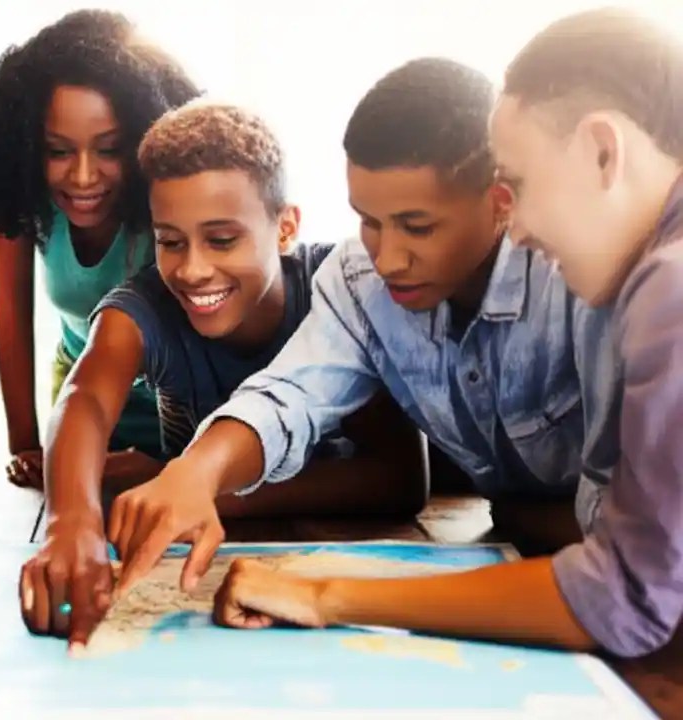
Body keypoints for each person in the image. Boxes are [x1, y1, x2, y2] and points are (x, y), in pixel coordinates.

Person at [211, 8, 683, 659]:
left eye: (517, 186)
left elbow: (626, 600)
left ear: (604, 151)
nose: (516, 230)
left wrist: (327, 595)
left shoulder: (671, 286)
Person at [105, 58, 621, 612]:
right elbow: (290, 394)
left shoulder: (579, 275)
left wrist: (537, 518)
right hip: (528, 552)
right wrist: (196, 471)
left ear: (499, 204)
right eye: (368, 221)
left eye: (417, 227)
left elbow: (636, 542)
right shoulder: (357, 281)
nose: (389, 258)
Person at [20, 101, 427, 648]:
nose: (192, 268)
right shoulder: (146, 307)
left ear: (285, 228)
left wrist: (202, 494)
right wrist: (69, 521)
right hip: (213, 568)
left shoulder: (338, 295)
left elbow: (401, 480)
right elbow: (85, 396)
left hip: (336, 565)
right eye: (170, 241)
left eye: (222, 239)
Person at [0, 9, 202, 491]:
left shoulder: (172, 200)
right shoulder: (26, 199)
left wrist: (174, 461)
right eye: (58, 151)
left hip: (188, 418)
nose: (82, 176)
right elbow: (11, 310)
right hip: (82, 409)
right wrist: (25, 444)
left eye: (109, 148)